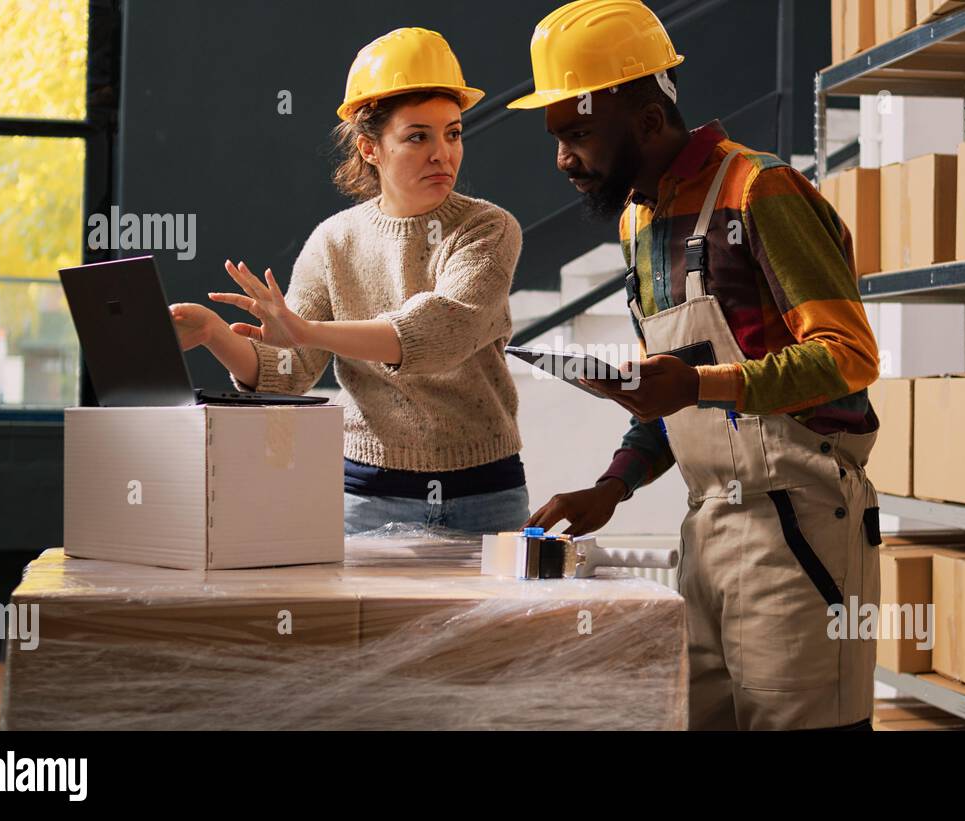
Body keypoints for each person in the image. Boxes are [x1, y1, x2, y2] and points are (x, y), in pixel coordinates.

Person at [509, 0, 883, 730]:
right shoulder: (638, 222)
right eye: (556, 137)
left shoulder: (760, 190)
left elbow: (850, 355)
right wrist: (611, 488)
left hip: (800, 528)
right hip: (706, 528)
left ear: (648, 121)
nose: (562, 159)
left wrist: (700, 384)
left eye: (579, 133)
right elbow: (670, 391)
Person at [171, 27, 529, 535]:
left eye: (452, 133)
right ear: (369, 148)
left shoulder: (488, 228)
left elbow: (439, 335)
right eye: (417, 136)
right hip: (367, 498)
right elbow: (289, 372)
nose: (442, 154)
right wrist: (214, 334)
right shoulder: (334, 240)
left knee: (488, 621)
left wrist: (307, 330)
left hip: (486, 495)